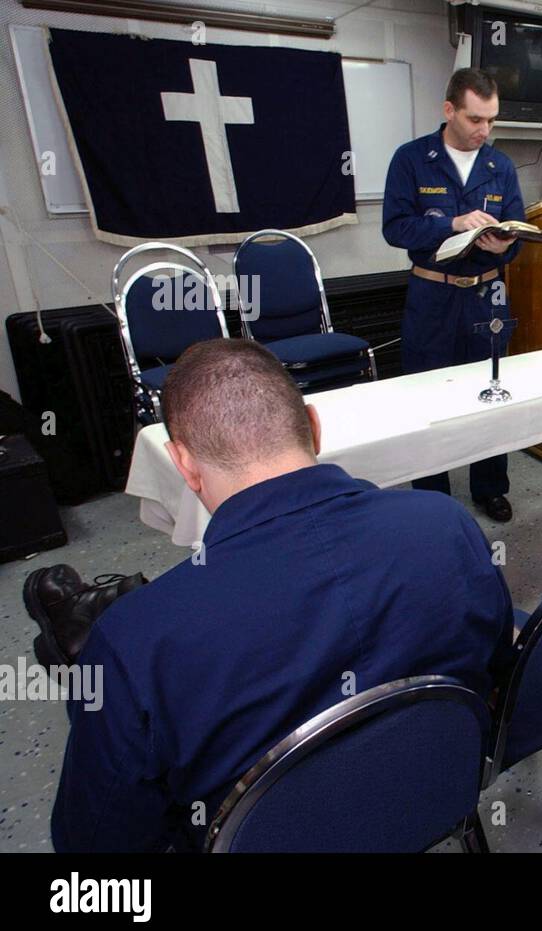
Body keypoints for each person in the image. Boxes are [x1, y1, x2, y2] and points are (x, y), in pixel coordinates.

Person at [50, 339, 514, 852]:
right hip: (434, 791)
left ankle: (72, 636)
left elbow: (91, 845)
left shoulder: (136, 640)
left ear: (183, 465)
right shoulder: (446, 523)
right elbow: (496, 669)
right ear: (314, 427)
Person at [382, 67, 525, 523]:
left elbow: (518, 227)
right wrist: (451, 224)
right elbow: (395, 227)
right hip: (433, 295)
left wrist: (507, 243)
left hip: (487, 296)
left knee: (490, 392)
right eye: (474, 119)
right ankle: (433, 496)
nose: (484, 130)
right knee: (430, 399)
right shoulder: (411, 159)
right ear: (449, 110)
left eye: (491, 120)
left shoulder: (499, 165)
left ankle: (490, 487)